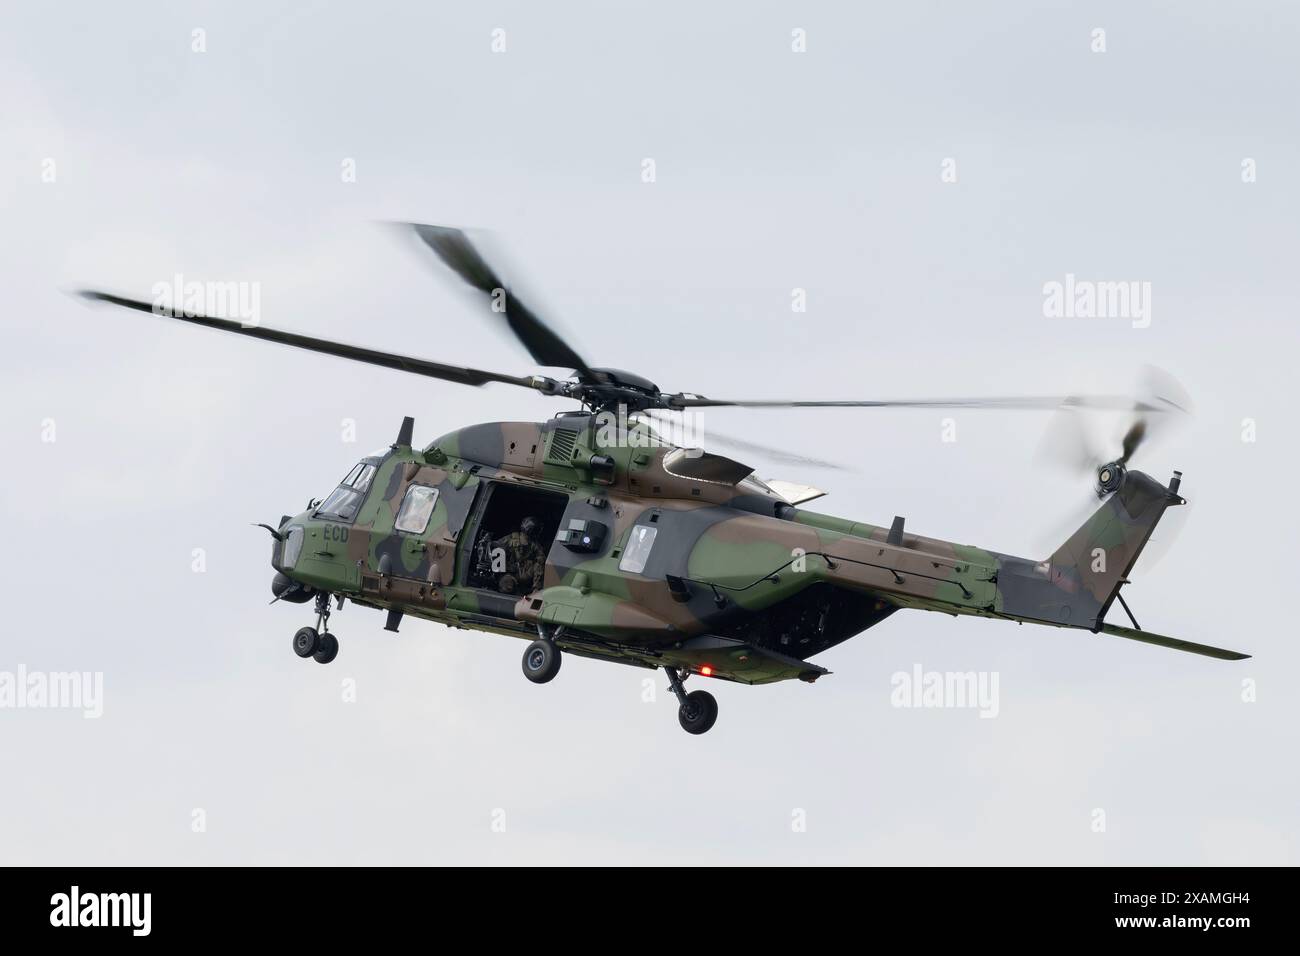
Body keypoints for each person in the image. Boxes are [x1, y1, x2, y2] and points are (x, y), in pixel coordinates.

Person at [493, 516, 547, 594]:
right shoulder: (535, 546)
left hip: (520, 577)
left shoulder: (511, 539)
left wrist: (536, 587)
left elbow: (540, 565)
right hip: (511, 576)